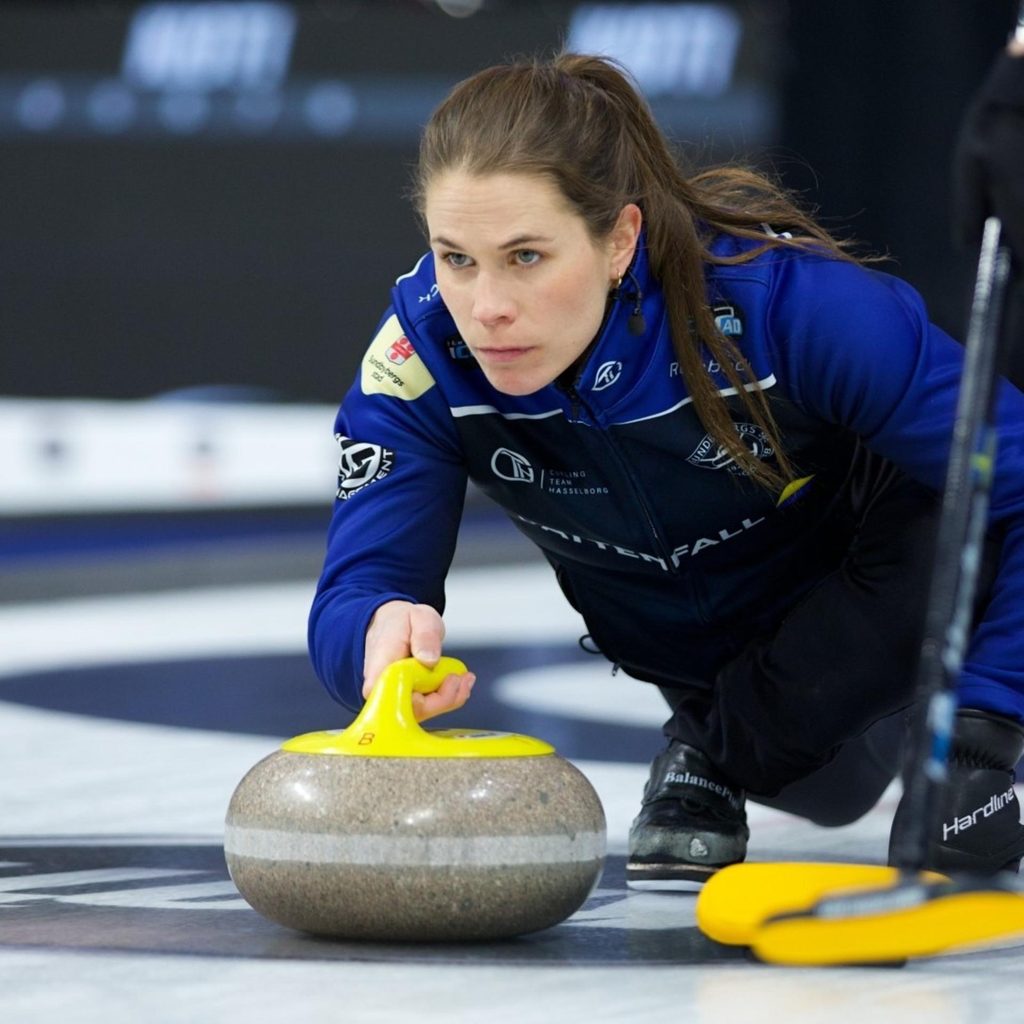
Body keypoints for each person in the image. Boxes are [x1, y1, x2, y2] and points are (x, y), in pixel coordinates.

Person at [308, 52, 1024, 889]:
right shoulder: (418, 358)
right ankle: (713, 743)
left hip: (886, 616)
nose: (486, 308)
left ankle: (734, 745)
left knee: (937, 528)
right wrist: (373, 635)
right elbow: (360, 581)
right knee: (824, 790)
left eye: (527, 256)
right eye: (455, 258)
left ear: (620, 240)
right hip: (710, 685)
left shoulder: (795, 310)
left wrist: (989, 727)